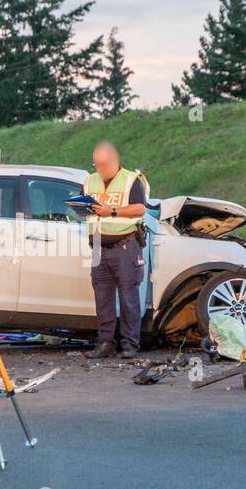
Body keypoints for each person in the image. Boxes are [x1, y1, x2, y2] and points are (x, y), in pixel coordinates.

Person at [83, 142, 149, 360]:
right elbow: (81, 204)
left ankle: (129, 345)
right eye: (96, 164)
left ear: (114, 160)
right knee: (103, 299)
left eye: (103, 164)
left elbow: (139, 208)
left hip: (125, 246)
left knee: (129, 297)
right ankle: (105, 344)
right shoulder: (89, 180)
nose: (99, 168)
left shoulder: (131, 180)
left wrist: (110, 211)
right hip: (98, 247)